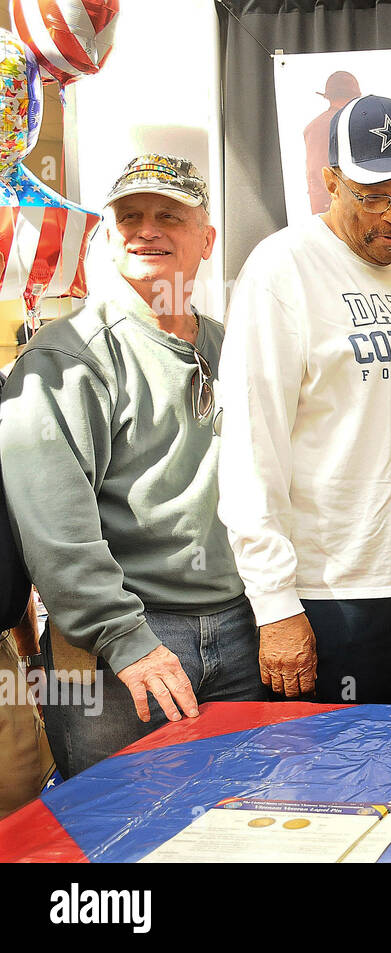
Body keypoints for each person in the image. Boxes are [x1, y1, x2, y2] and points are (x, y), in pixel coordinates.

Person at [0, 155, 264, 776]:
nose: (147, 230)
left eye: (169, 216)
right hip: (124, 646)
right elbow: (53, 525)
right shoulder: (65, 359)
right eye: (130, 218)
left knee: (236, 820)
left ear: (206, 240)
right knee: (115, 832)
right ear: (109, 240)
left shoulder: (236, 345)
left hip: (241, 628)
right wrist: (123, 639)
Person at [219, 95, 391, 705]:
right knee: (338, 794)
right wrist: (275, 604)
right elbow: (251, 448)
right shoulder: (281, 269)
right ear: (331, 183)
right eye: (374, 196)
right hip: (333, 595)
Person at [305, 71, 361, 214]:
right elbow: (322, 174)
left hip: (332, 210)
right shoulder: (344, 124)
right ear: (354, 97)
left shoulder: (315, 126)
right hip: (339, 212)